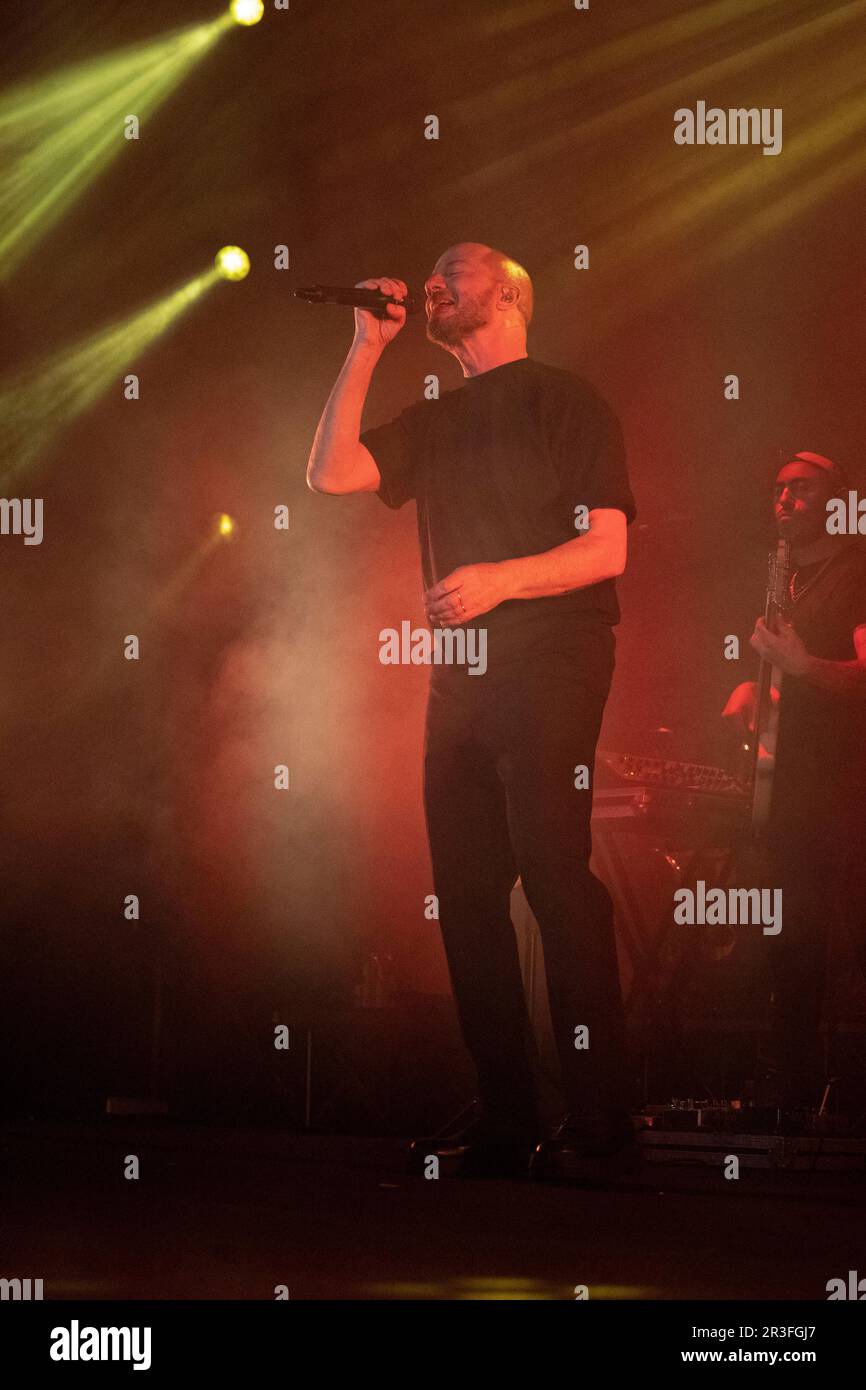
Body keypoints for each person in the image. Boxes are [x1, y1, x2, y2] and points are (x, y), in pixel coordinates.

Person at [307, 242, 637, 1180]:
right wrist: (366, 347)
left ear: (511, 293)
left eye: (457, 268)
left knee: (553, 875)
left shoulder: (565, 401)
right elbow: (327, 477)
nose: (435, 281)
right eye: (433, 273)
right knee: (464, 895)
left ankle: (601, 1114)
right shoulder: (437, 417)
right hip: (460, 680)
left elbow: (606, 548)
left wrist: (500, 579)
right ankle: (507, 1111)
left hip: (554, 663)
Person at [723, 452, 866, 1106]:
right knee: (787, 939)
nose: (783, 499)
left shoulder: (856, 572)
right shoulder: (782, 577)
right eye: (778, 488)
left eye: (801, 490)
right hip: (784, 790)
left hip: (842, 787)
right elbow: (780, 670)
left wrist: (803, 666)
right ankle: (787, 1084)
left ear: (836, 500)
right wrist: (755, 690)